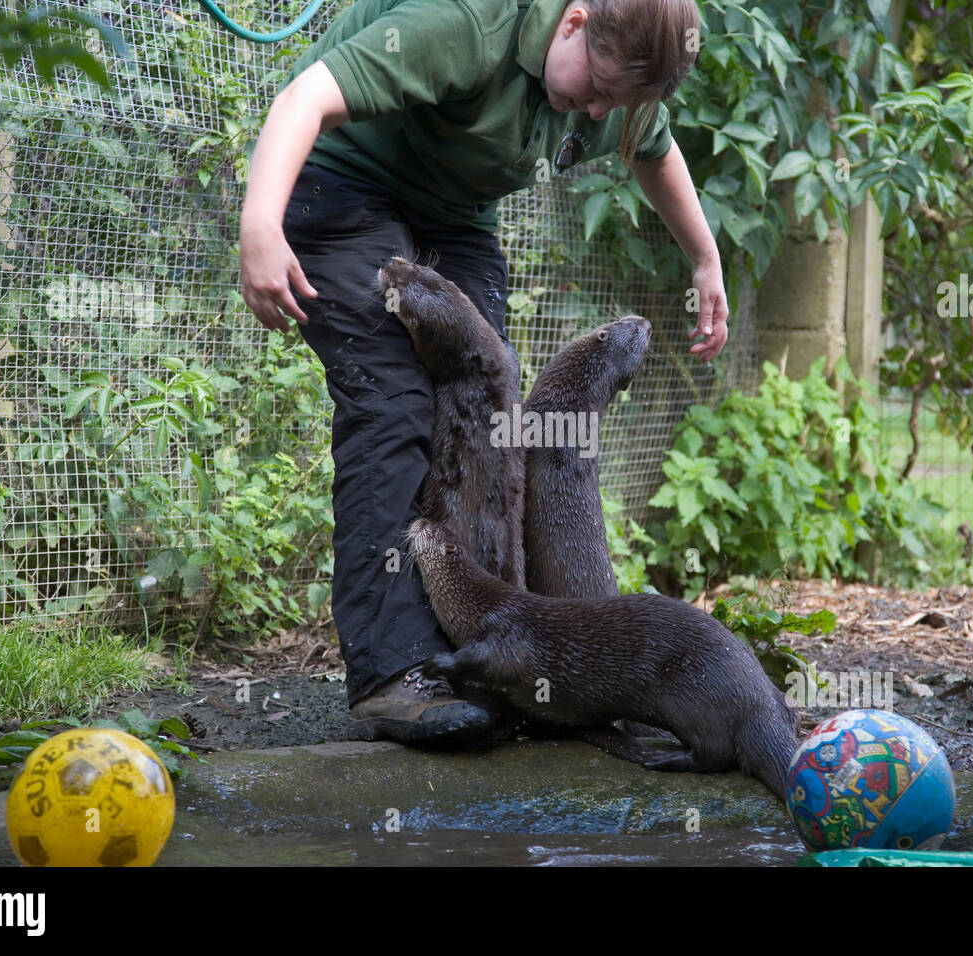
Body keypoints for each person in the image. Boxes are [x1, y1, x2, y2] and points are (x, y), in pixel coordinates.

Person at [239, 0, 729, 748]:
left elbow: (652, 151)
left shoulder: (618, 83)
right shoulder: (472, 24)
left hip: (451, 217)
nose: (594, 112)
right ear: (572, 21)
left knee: (485, 409)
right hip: (334, 185)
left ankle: (496, 665)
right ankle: (395, 675)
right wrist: (260, 226)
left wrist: (704, 258)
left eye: (611, 105)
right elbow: (303, 97)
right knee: (396, 404)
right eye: (593, 89)